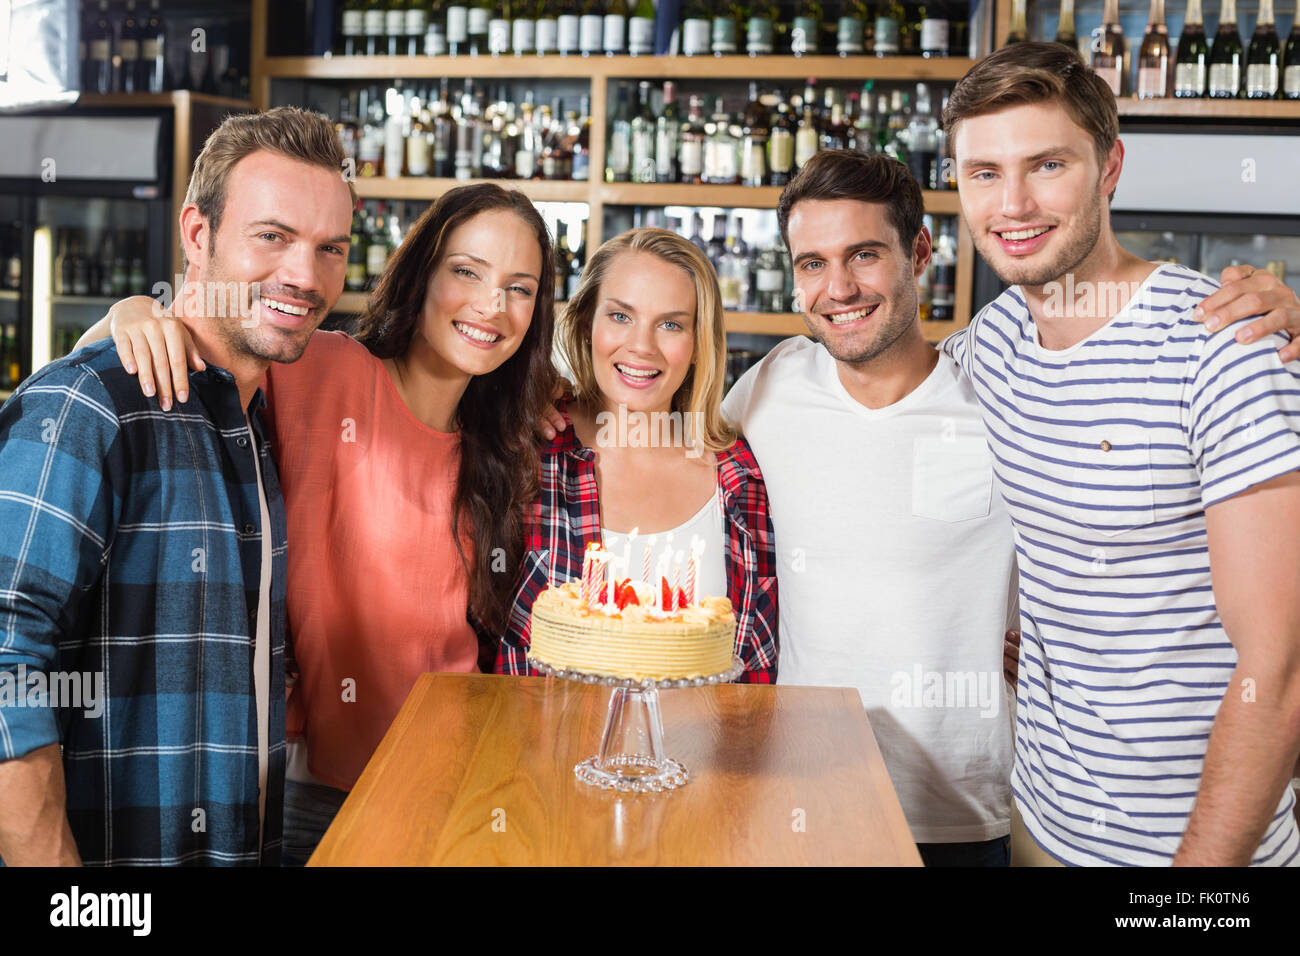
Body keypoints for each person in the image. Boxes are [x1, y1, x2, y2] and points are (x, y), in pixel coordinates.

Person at [76, 182, 558, 866]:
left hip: (453, 780)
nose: (492, 305)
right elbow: (106, 363)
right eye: (467, 272)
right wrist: (131, 313)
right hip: (308, 789)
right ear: (421, 275)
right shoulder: (324, 369)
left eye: (519, 288)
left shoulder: (512, 442)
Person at [940, 42, 1300, 866]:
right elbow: (874, 384)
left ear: (1109, 168)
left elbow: (1280, 672)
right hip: (1038, 824)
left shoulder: (1225, 345)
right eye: (985, 173)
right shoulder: (992, 345)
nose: (1013, 204)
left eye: (1048, 165)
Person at [0, 106, 354, 865]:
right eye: (273, 236)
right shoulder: (88, 405)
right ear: (197, 233)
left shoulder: (260, 422)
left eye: (331, 248)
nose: (305, 275)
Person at [497, 228, 778, 680]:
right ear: (586, 322)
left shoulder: (740, 481)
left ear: (698, 343)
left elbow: (757, 675)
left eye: (671, 324)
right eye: (620, 316)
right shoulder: (529, 451)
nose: (642, 346)